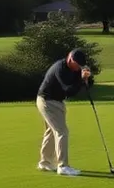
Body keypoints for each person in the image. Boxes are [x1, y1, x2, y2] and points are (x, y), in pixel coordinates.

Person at [36, 48, 93, 176]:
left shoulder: (75, 69)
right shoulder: (60, 69)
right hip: (47, 101)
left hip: (57, 102)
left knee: (51, 131)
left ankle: (44, 163)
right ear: (70, 58)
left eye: (80, 65)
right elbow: (69, 90)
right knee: (62, 131)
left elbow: (78, 87)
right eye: (76, 64)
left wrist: (85, 79)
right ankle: (63, 166)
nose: (78, 67)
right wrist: (81, 80)